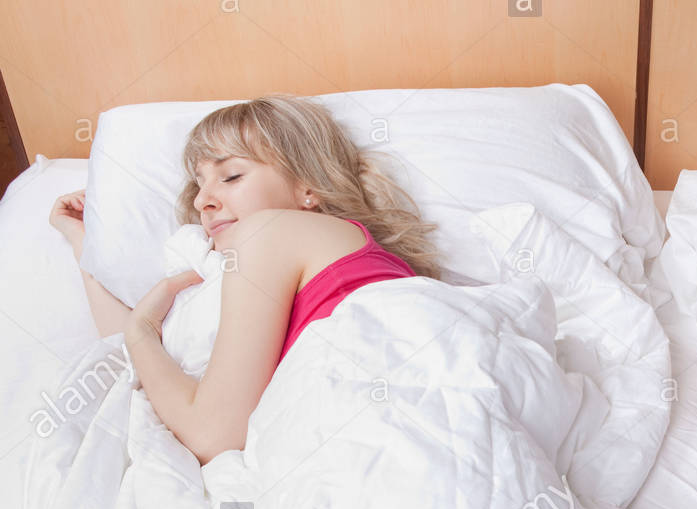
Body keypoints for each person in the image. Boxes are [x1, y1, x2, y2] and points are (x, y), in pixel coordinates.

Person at [49, 94, 439, 464]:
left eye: (231, 176)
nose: (203, 200)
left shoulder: (272, 232)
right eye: (199, 184)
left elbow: (213, 436)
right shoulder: (251, 269)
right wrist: (85, 246)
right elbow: (136, 369)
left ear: (308, 187)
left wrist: (140, 331)